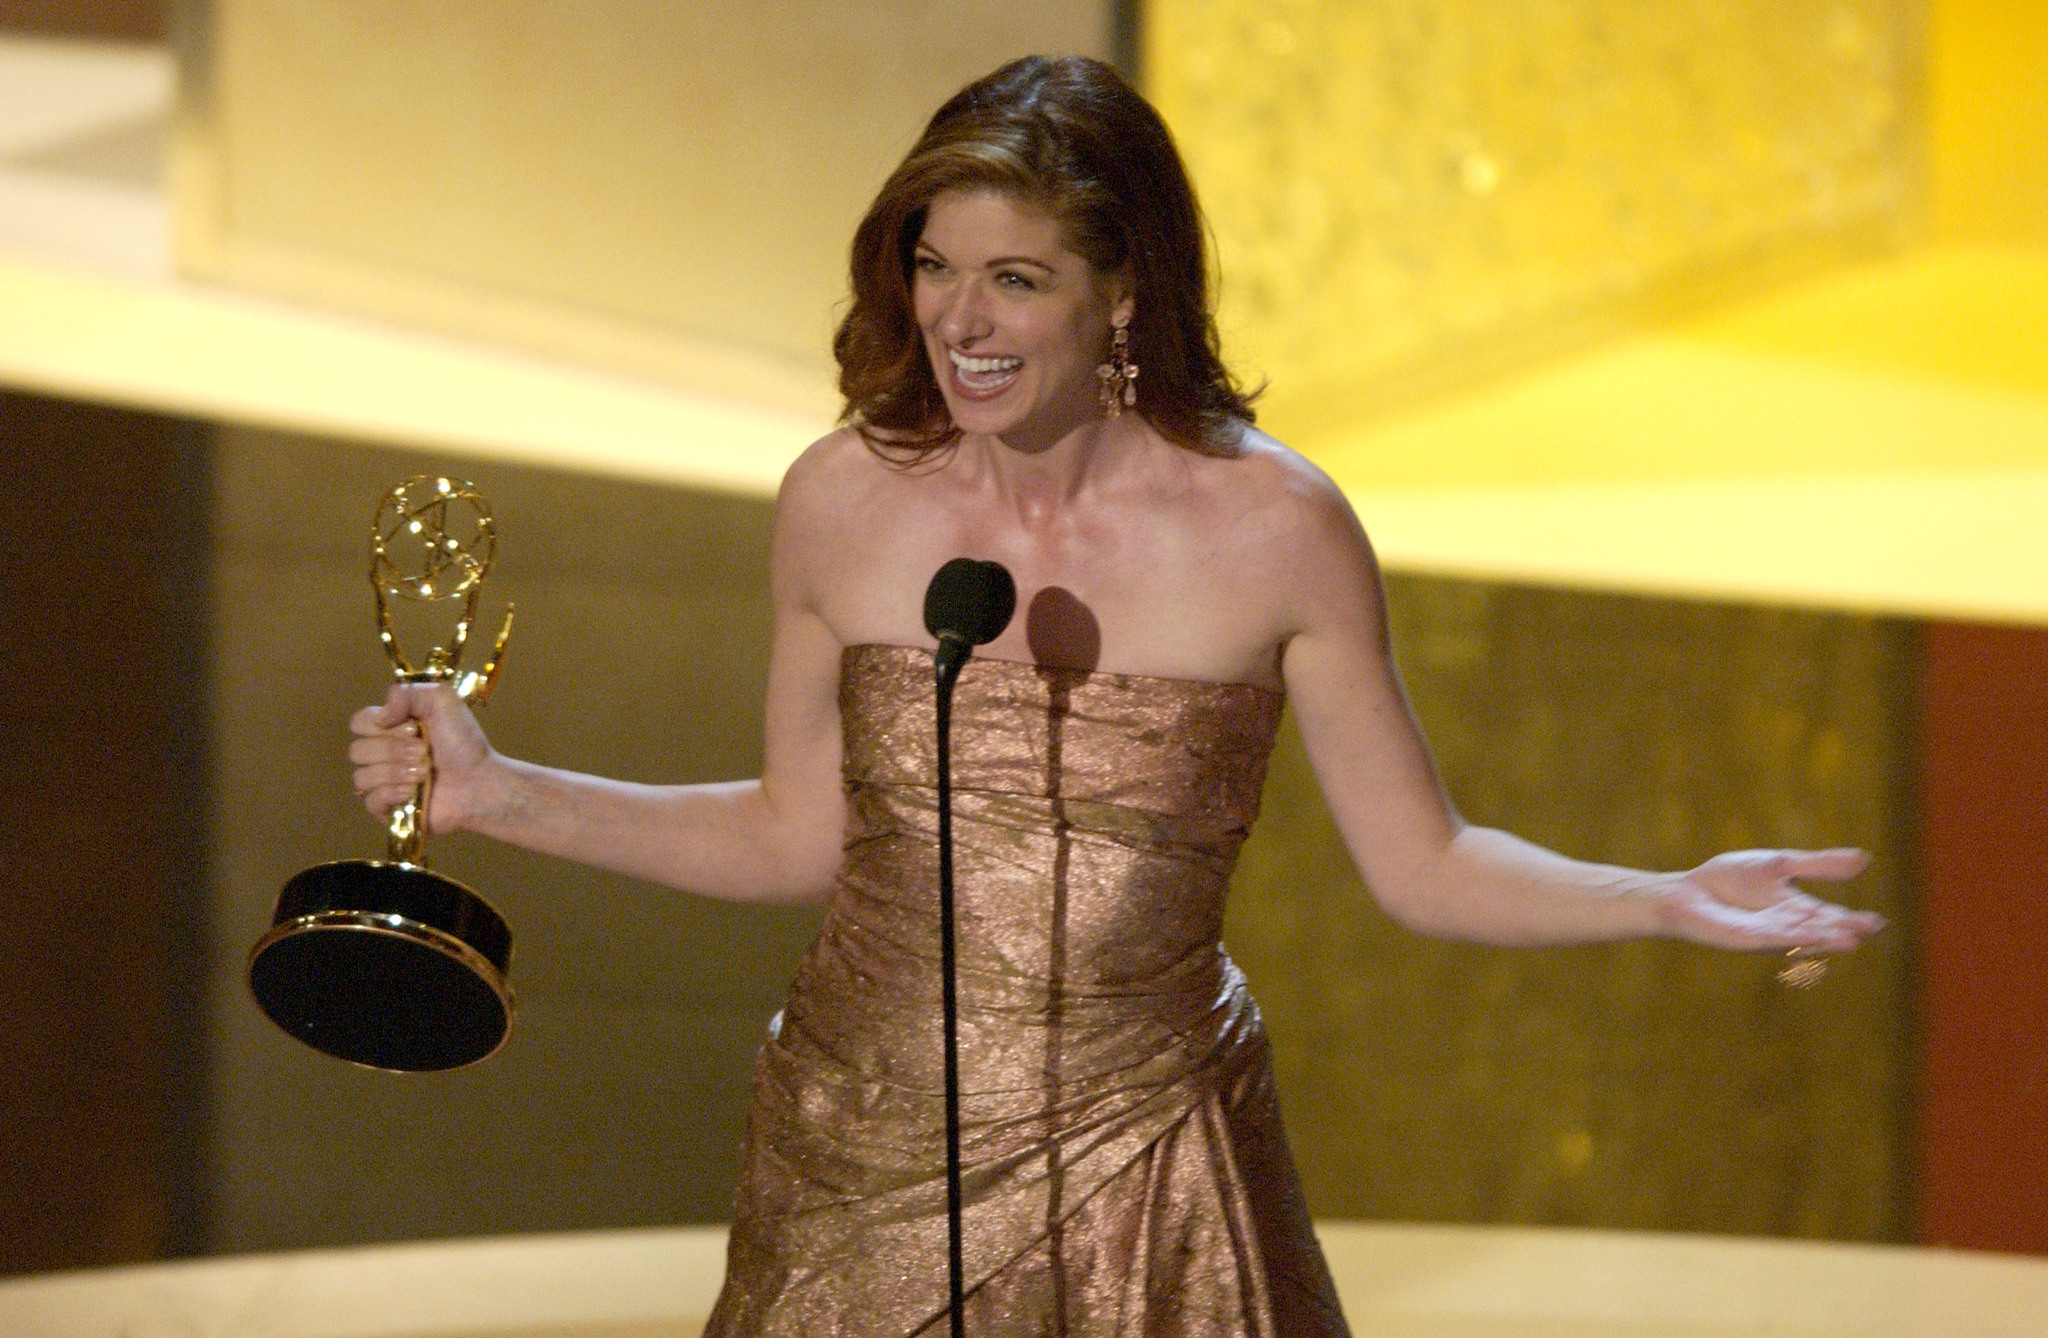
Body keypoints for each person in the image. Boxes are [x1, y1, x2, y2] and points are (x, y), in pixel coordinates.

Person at [349, 55, 1884, 1338]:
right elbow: (793, 839)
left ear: (1126, 288)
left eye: (1016, 279)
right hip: (857, 1163)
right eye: (935, 267)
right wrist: (498, 793)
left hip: (1157, 1178)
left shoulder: (1275, 531)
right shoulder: (841, 503)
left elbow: (1426, 862)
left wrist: (1667, 898)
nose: (961, 322)